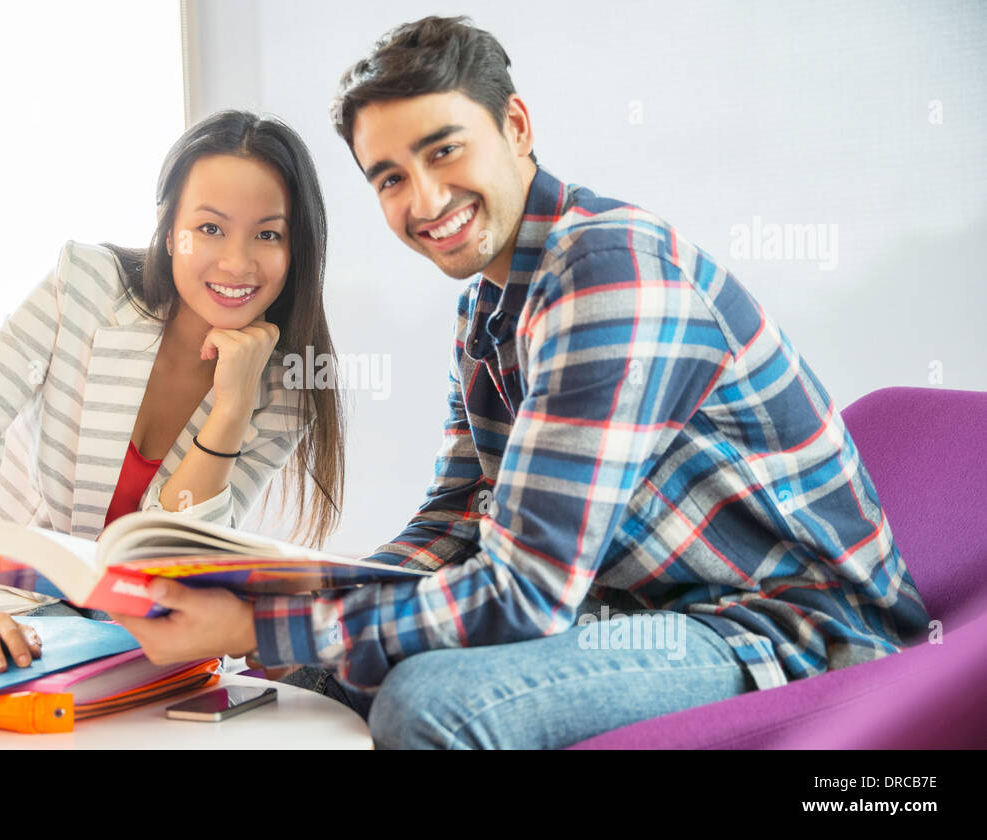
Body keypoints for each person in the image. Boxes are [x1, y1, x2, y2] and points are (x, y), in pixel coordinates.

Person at [111, 16, 933, 749]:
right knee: (310, 680)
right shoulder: (487, 305)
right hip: (626, 607)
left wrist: (265, 623)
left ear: (515, 125)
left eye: (444, 149)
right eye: (390, 177)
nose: (425, 199)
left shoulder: (608, 273)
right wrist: (281, 585)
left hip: (784, 624)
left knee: (427, 705)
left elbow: (528, 591)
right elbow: (457, 520)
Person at [0, 110, 344, 676]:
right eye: (209, 228)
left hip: (142, 637)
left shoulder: (288, 386)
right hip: (5, 617)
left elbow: (177, 555)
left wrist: (231, 409)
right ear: (167, 225)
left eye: (268, 234)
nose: (237, 261)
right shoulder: (83, 288)